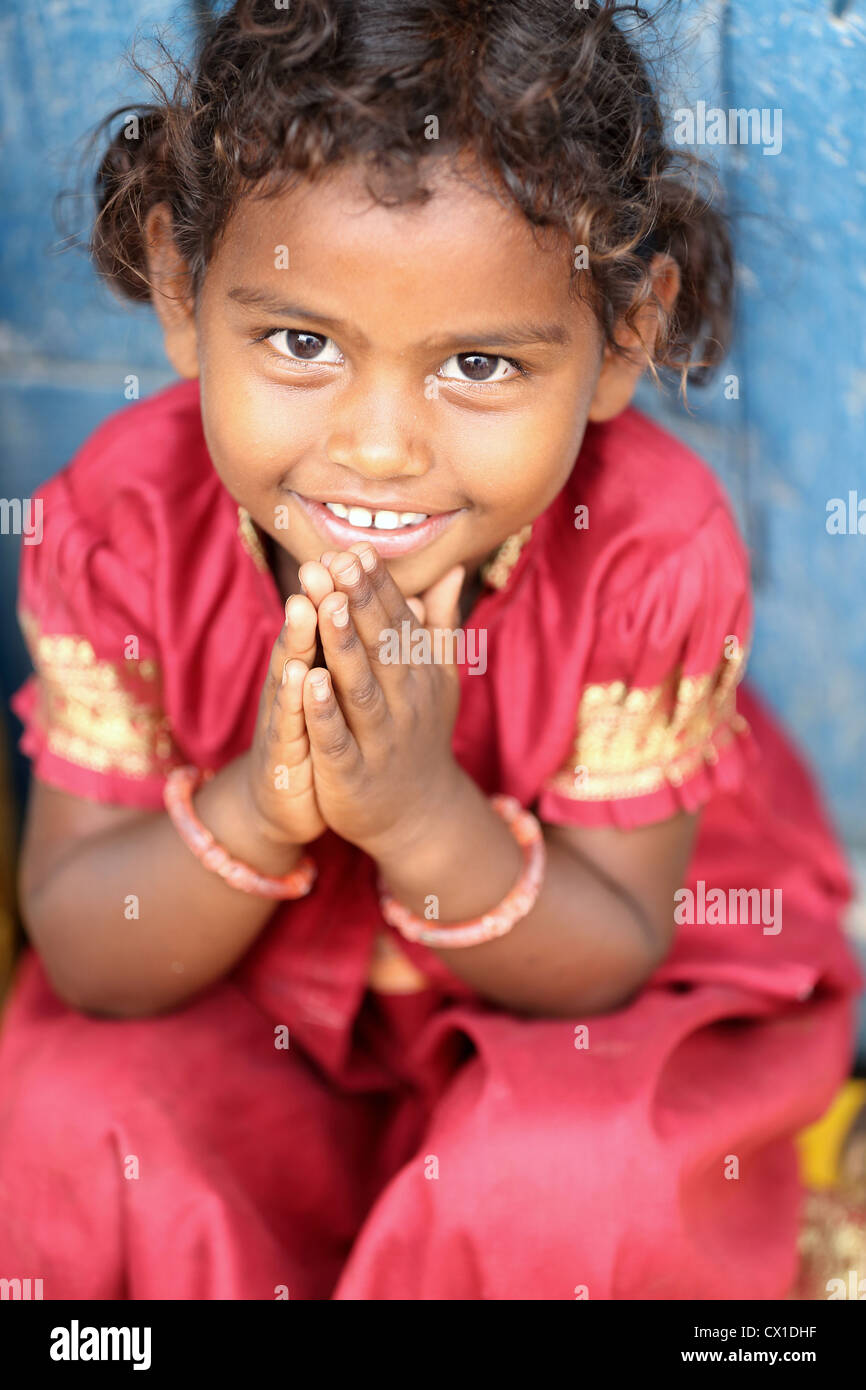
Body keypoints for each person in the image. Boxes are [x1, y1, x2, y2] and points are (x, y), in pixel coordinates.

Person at [0, 0, 861, 1300]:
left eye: (475, 362)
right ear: (182, 292)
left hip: (579, 988)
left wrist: (413, 812)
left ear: (624, 337)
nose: (383, 443)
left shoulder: (644, 551)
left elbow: (612, 947)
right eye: (300, 343)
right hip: (246, 979)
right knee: (71, 1112)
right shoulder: (126, 525)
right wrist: (262, 805)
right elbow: (88, 943)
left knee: (573, 1181)